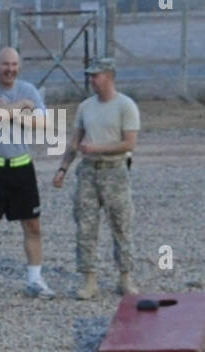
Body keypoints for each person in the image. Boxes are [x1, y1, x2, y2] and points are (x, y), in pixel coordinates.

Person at [0, 47, 56, 306]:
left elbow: (44, 123)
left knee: (33, 225)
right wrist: (22, 108)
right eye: (5, 64)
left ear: (20, 66)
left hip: (22, 167)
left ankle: (34, 280)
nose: (10, 69)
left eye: (14, 64)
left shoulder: (29, 88)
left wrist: (10, 111)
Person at [53, 58, 140, 300]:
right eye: (90, 76)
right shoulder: (86, 107)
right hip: (89, 172)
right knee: (86, 225)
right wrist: (63, 169)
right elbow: (75, 141)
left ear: (109, 76)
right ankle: (88, 278)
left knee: (121, 225)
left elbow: (129, 142)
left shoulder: (126, 106)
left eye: (96, 75)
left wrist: (97, 148)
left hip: (115, 171)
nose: (92, 80)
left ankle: (125, 277)